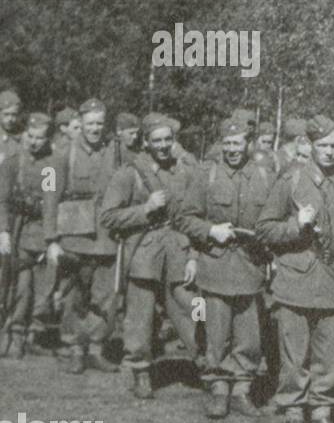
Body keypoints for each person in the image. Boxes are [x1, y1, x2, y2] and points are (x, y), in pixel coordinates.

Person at [257, 116, 334, 423]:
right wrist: (296, 225)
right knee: (294, 356)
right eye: (322, 146)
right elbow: (265, 229)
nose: (329, 152)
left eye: (333, 145)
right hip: (296, 281)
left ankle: (322, 416)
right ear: (308, 146)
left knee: (330, 358)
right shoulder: (291, 179)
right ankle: (294, 416)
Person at [178, 119, 274, 418]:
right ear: (222, 144)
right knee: (216, 332)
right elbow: (184, 218)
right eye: (228, 143)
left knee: (249, 335)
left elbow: (274, 219)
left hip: (250, 265)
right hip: (216, 263)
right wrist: (210, 230)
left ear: (249, 144)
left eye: (239, 143)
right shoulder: (206, 174)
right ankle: (218, 389)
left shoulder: (264, 175)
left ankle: (242, 390)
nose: (233, 149)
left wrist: (271, 255)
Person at [99, 113, 198, 398]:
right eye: (157, 140)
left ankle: (205, 361)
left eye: (168, 139)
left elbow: (193, 216)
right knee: (140, 316)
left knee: (190, 307)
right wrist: (145, 209)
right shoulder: (130, 173)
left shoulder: (183, 172)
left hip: (177, 249)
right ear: (145, 141)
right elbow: (108, 216)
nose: (164, 145)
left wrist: (193, 254)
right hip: (144, 254)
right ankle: (140, 368)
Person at [43, 98, 123, 373]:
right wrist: (51, 239)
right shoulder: (62, 153)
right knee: (74, 295)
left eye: (100, 123)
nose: (95, 129)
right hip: (74, 233)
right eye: (90, 123)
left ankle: (97, 348)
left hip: (107, 235)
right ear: (81, 123)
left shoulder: (117, 150)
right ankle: (75, 348)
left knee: (104, 295)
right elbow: (50, 196)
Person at [0, 112, 54, 358]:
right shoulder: (12, 163)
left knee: (41, 288)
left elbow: (50, 201)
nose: (34, 142)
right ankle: (14, 333)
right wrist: (4, 231)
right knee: (18, 286)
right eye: (30, 136)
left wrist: (50, 237)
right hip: (17, 228)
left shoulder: (50, 165)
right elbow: (1, 199)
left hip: (39, 230)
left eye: (39, 138)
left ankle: (30, 334)